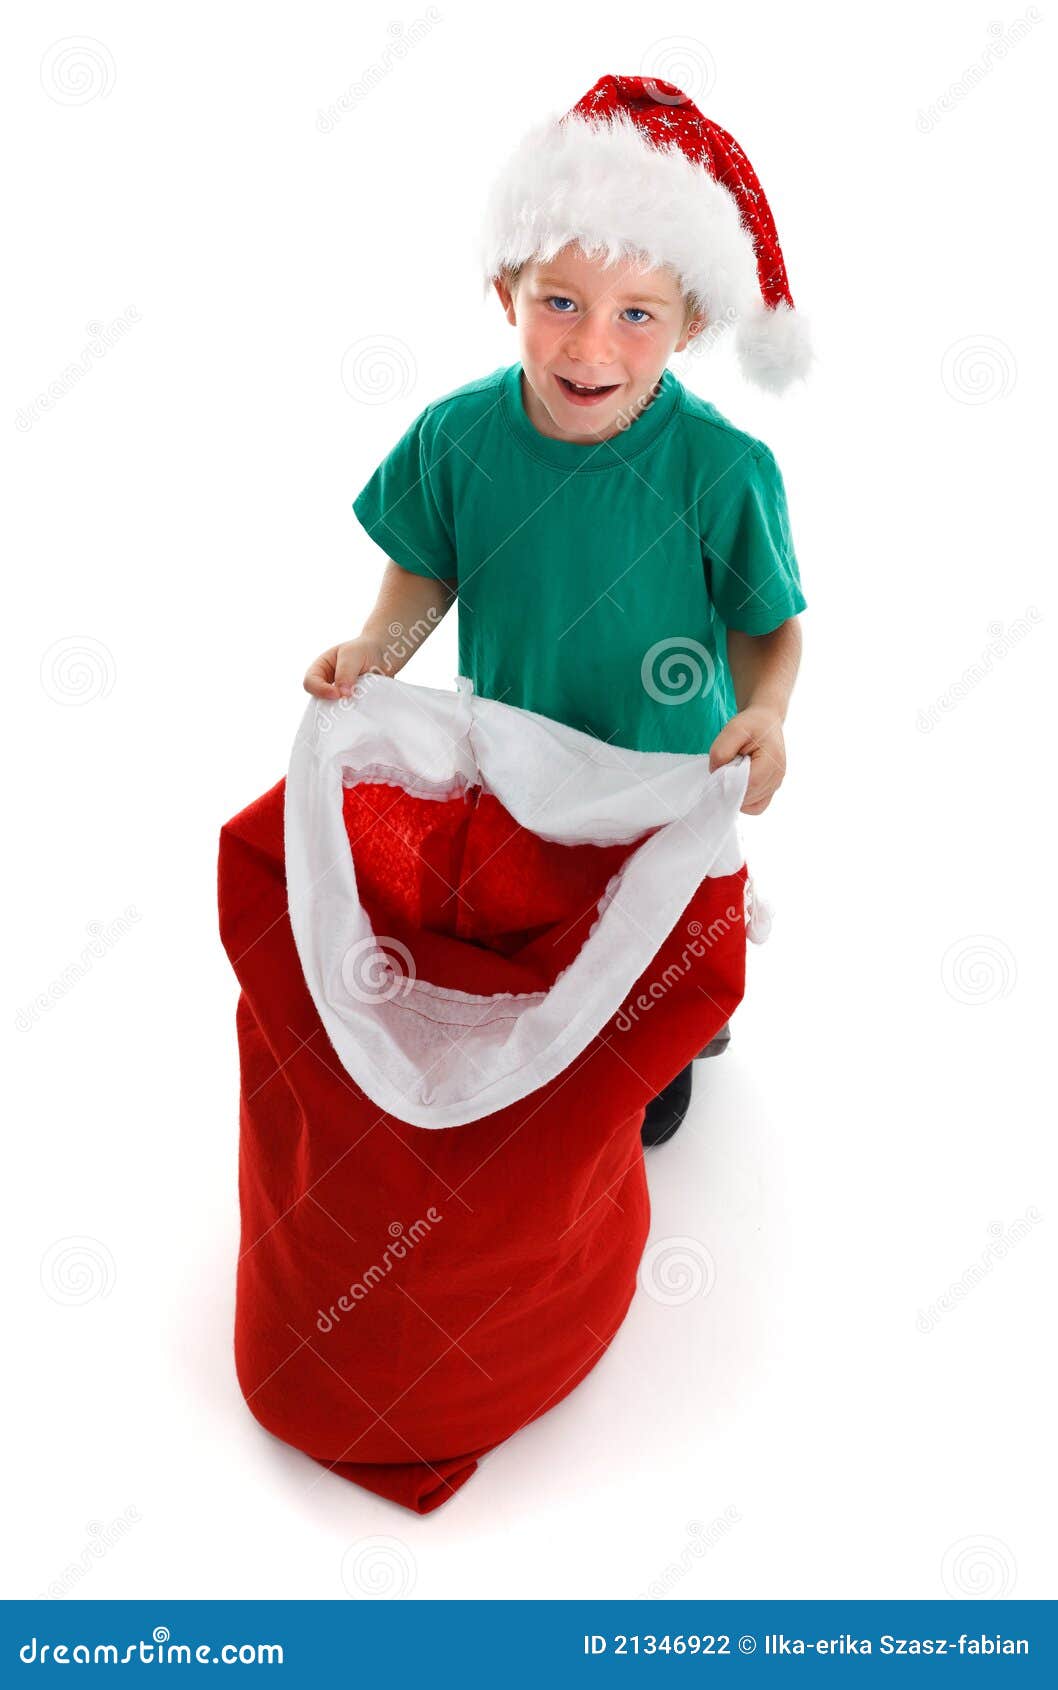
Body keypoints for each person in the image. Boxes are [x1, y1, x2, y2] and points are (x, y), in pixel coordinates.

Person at [304, 74, 812, 1148]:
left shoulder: (721, 468)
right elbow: (425, 576)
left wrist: (765, 714)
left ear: (691, 323)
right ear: (507, 291)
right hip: (515, 770)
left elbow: (766, 626)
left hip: (656, 786)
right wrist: (375, 653)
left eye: (637, 315)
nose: (590, 348)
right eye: (561, 302)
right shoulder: (455, 438)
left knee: (643, 1025)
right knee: (532, 951)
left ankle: (674, 1003)